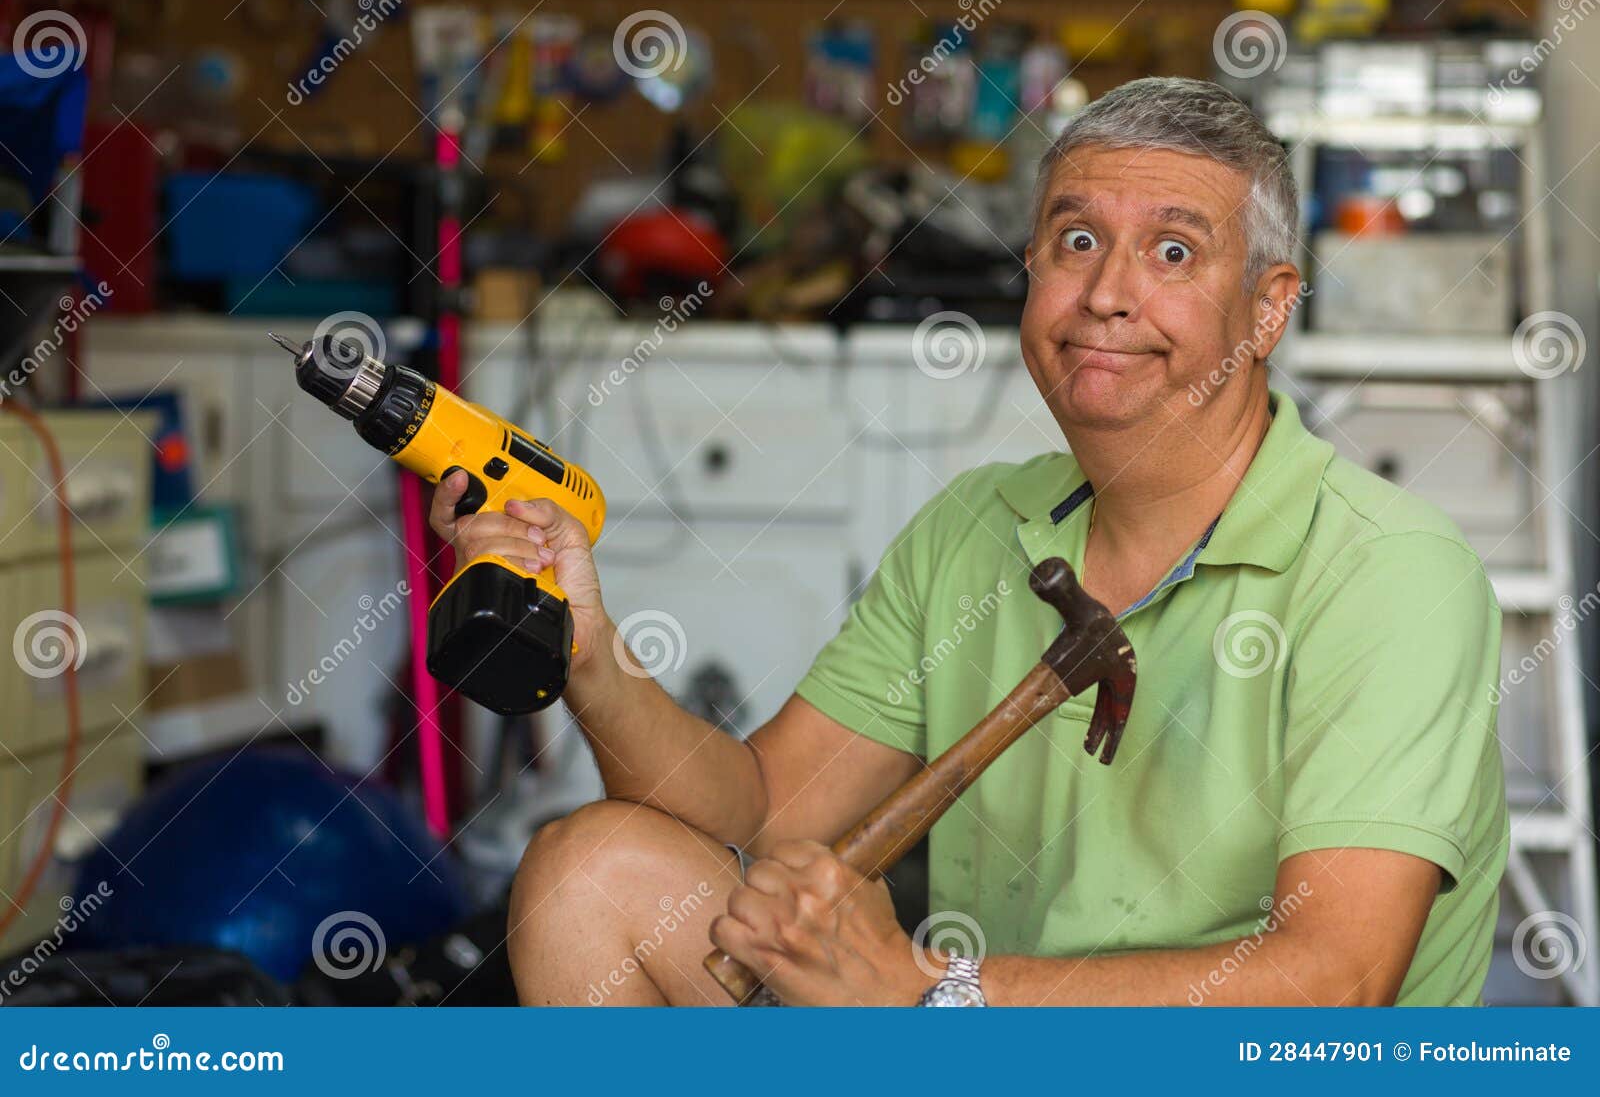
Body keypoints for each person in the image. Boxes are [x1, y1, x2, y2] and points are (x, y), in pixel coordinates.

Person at [432, 77, 1508, 1007]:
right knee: (593, 868)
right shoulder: (978, 528)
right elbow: (759, 814)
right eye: (1077, 240)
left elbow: (1337, 976)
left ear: (1267, 310)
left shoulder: (1386, 570)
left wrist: (926, 989)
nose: (1106, 293)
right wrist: (587, 649)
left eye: (1173, 251)